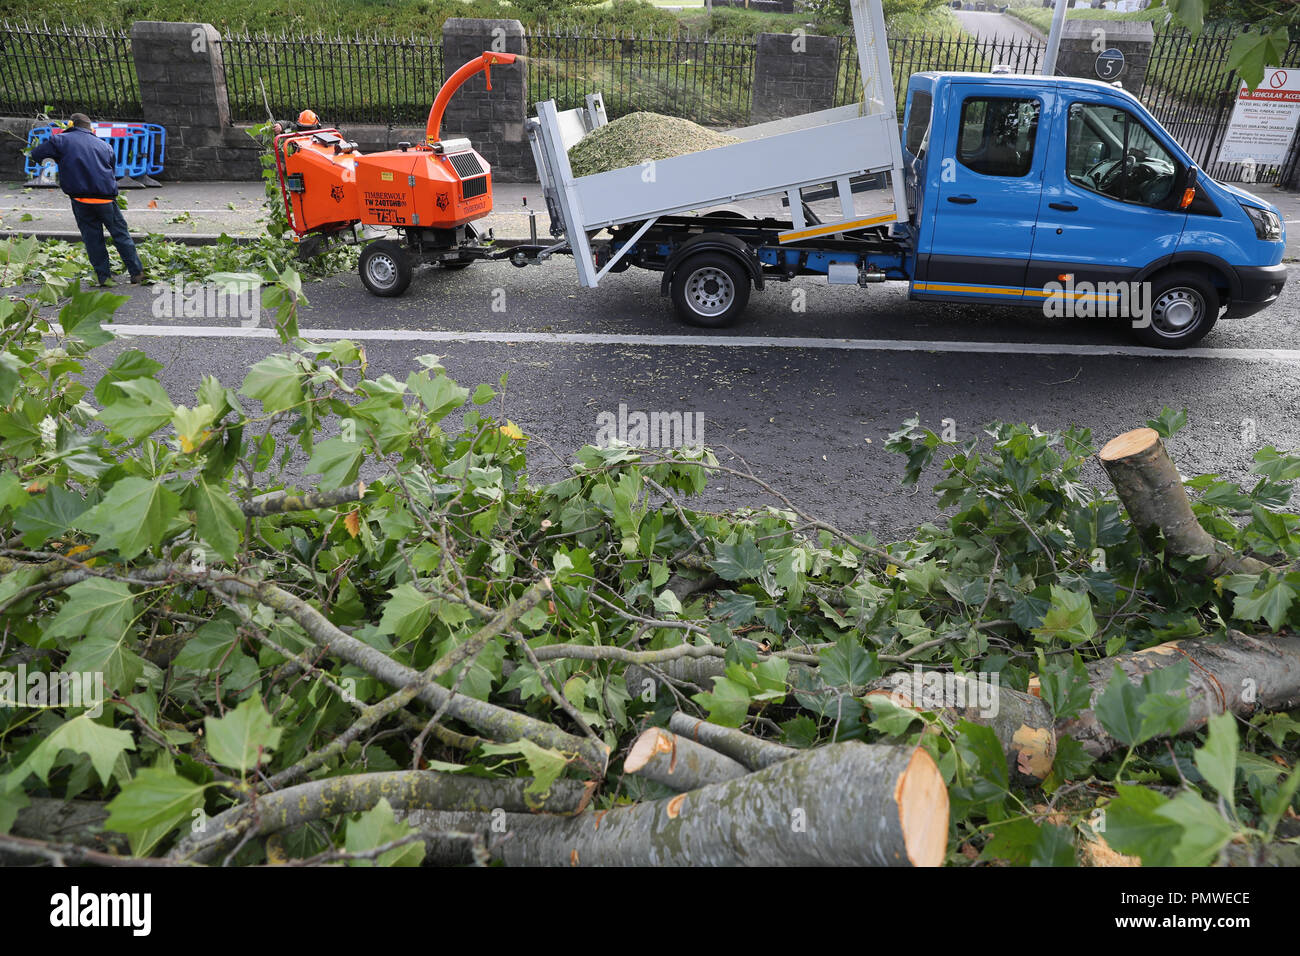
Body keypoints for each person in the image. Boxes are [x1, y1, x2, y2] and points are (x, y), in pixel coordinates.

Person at [29, 113, 143, 287]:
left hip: (81, 199)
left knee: (93, 239)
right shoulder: (104, 145)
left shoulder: (60, 140)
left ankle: (104, 277)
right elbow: (111, 169)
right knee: (121, 235)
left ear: (71, 124)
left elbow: (36, 154)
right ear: (91, 128)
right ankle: (137, 273)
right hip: (106, 199)